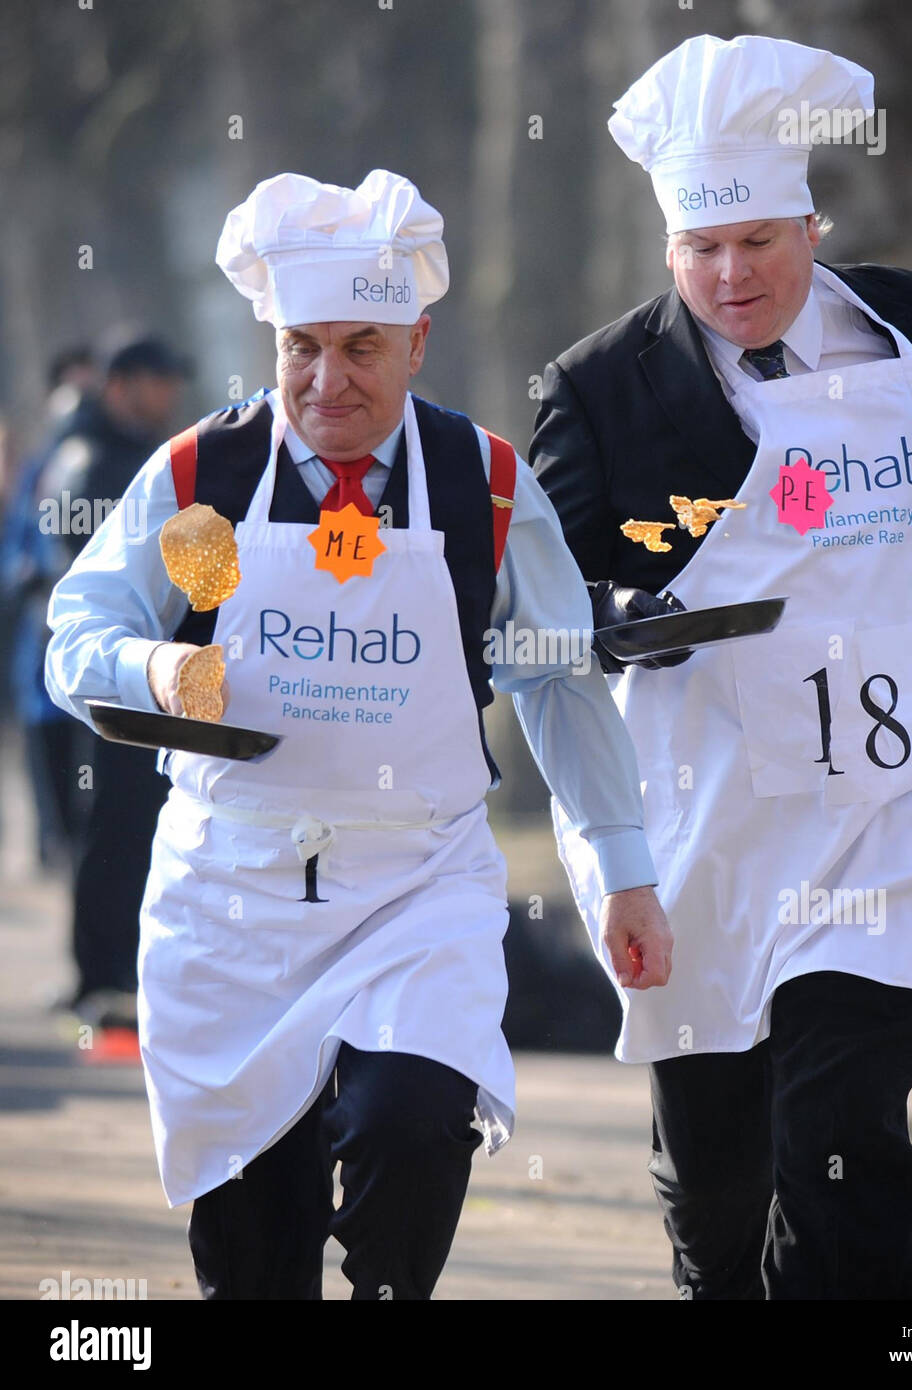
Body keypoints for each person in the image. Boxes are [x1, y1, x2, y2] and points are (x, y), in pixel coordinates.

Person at [45, 169, 672, 1300]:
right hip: (230, 896)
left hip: (415, 886)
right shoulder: (206, 484)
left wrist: (623, 875)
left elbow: (559, 677)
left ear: (417, 342)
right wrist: (157, 664)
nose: (324, 380)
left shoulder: (481, 484)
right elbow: (80, 629)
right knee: (252, 1244)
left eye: (359, 348)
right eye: (301, 347)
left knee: (412, 1123)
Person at [530, 34, 912, 1301]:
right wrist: (623, 611)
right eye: (701, 251)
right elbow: (549, 598)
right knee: (721, 1188)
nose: (731, 277)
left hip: (898, 793)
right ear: (669, 251)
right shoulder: (599, 389)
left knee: (840, 1134)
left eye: (759, 243)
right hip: (708, 811)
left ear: (811, 226)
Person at [38, 337, 190, 1037]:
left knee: (130, 827)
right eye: (157, 380)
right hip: (105, 683)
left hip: (145, 680)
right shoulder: (93, 461)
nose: (168, 395)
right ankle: (100, 977)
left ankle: (117, 972)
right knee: (107, 828)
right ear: (120, 384)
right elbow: (86, 581)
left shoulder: (137, 454)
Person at [1, 347, 99, 869]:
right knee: (45, 759)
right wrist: (33, 580)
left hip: (92, 646)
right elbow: (16, 550)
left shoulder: (117, 462)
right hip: (40, 647)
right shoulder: (42, 469)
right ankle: (53, 849)